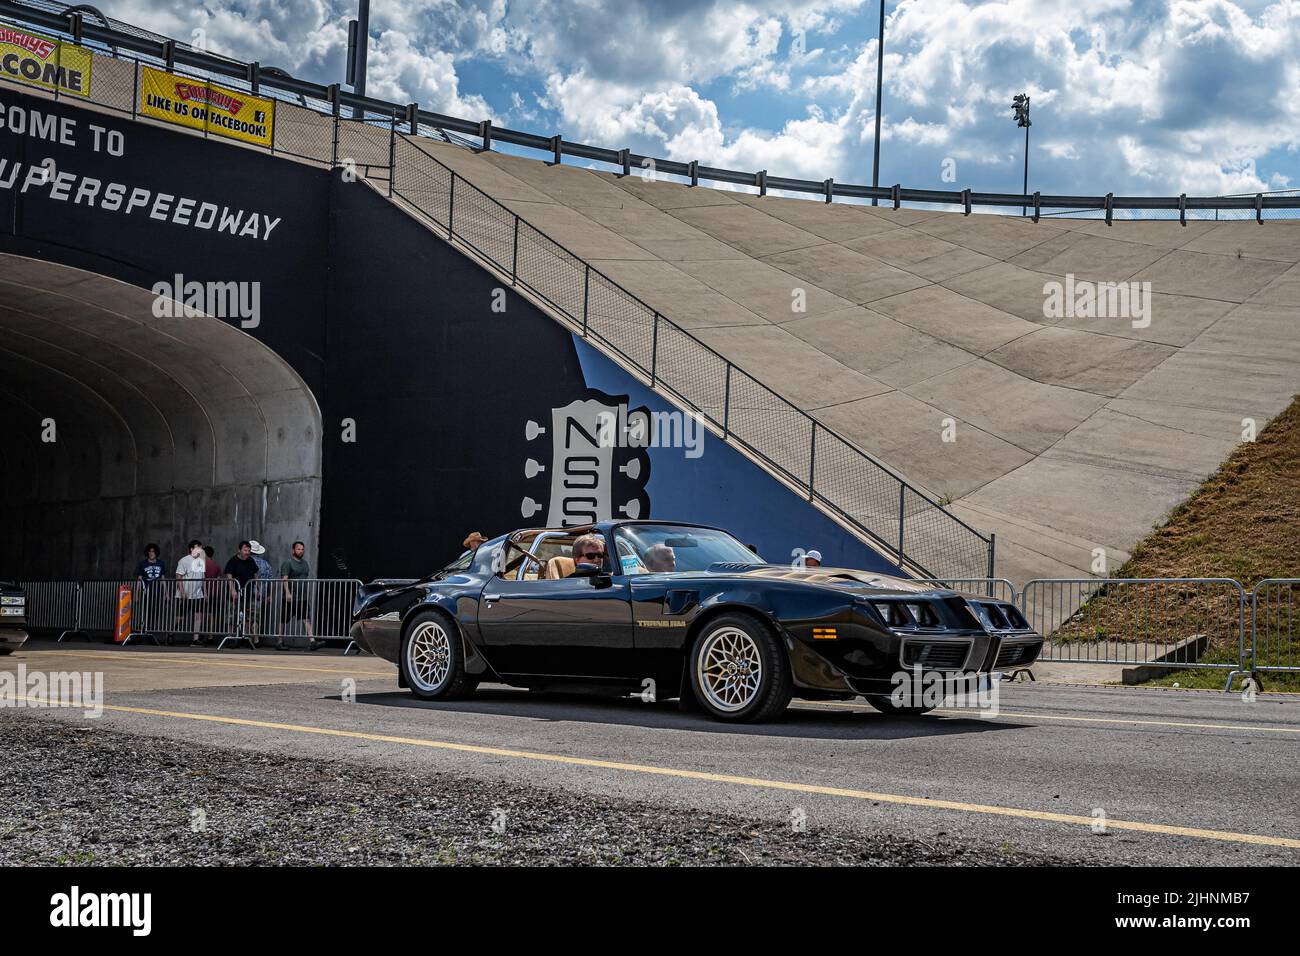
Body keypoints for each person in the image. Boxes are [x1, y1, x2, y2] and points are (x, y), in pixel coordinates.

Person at [280, 541, 322, 652]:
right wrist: (288, 593)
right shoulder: (288, 563)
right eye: (298, 549)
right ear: (293, 550)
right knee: (284, 620)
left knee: (306, 619)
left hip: (302, 598)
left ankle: (312, 641)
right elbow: (284, 579)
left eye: (302, 549)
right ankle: (279, 641)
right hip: (290, 597)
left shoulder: (305, 563)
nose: (301, 551)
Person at [174, 540, 207, 645]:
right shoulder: (184, 560)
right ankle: (170, 633)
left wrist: (205, 592)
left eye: (201, 548)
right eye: (197, 548)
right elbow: (178, 576)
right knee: (180, 617)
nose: (200, 550)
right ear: (191, 549)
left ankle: (195, 639)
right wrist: (182, 592)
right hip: (186, 594)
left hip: (197, 594)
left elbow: (203, 578)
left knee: (198, 616)